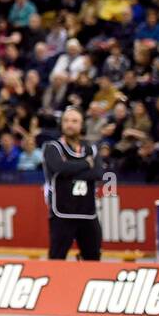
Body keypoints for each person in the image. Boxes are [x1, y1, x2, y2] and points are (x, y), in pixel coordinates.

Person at [42, 107, 104, 261]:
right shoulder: (52, 147)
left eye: (74, 121)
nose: (70, 125)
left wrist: (70, 171)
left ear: (82, 125)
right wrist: (85, 163)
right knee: (57, 258)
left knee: (93, 257)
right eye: (66, 121)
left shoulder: (92, 149)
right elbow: (59, 168)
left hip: (87, 212)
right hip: (62, 212)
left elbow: (97, 173)